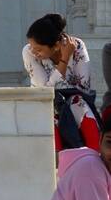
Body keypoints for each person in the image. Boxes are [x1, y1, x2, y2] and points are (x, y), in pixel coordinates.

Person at [23, 13, 99, 152]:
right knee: (54, 113)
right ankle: (60, 162)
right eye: (31, 46)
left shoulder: (77, 46)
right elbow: (43, 92)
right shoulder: (28, 52)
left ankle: (93, 156)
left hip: (77, 102)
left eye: (39, 49)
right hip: (45, 105)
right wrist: (64, 61)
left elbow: (84, 89)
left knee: (78, 103)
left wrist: (57, 83)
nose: (34, 52)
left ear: (56, 45)